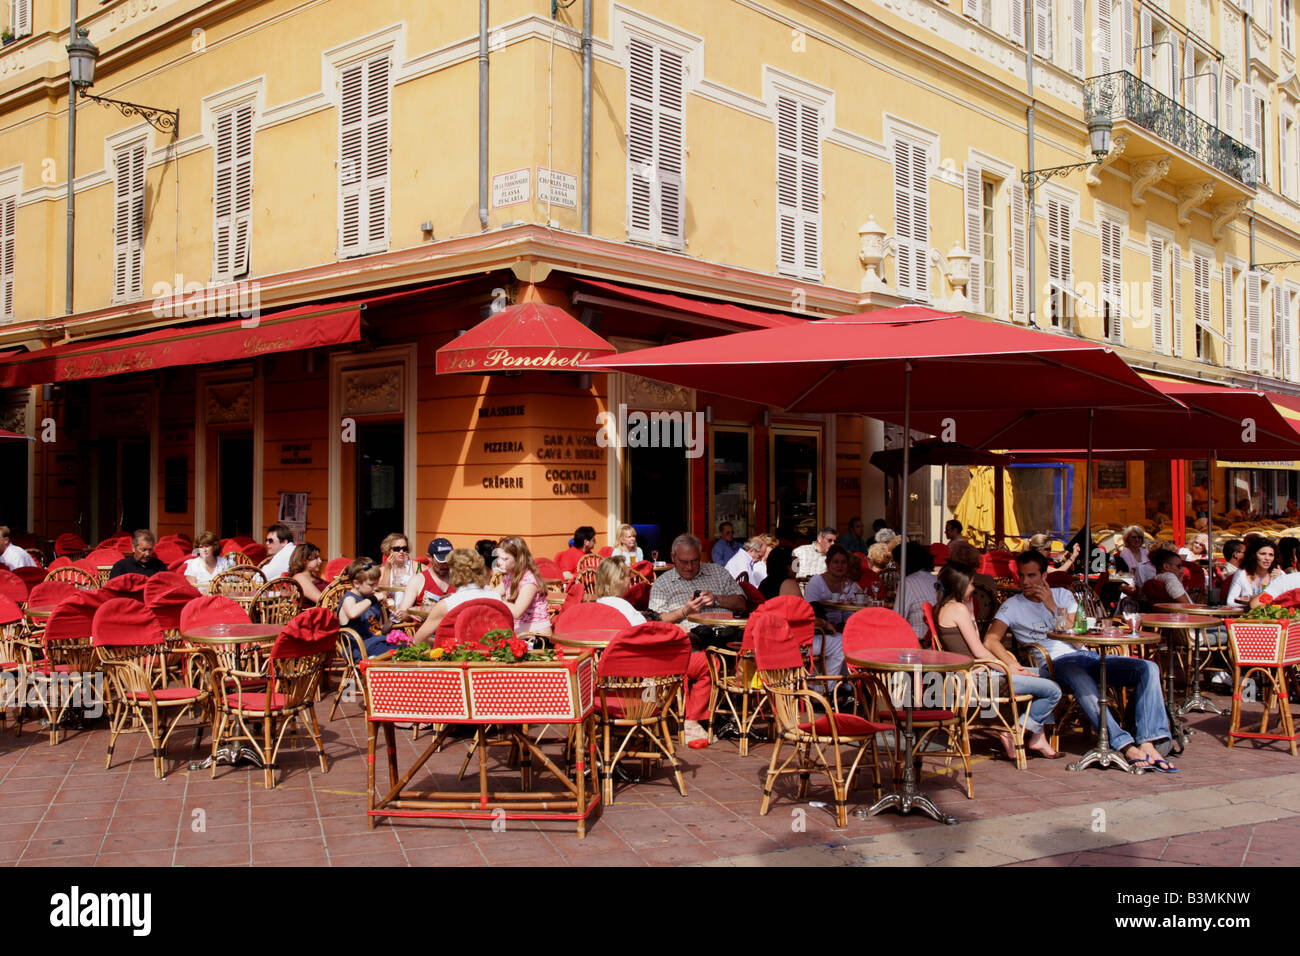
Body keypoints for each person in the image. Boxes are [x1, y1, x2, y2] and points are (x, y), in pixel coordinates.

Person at [985, 551, 1177, 771]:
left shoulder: (1063, 596)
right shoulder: (1012, 605)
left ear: (1044, 576)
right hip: (1056, 664)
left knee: (1148, 668)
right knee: (1080, 677)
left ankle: (1148, 741)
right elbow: (991, 640)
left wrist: (1050, 605)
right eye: (1022, 576)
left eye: (1031, 576)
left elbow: (1077, 639)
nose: (1025, 582)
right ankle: (1124, 744)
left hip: (1087, 655)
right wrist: (1009, 663)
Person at [932, 562, 1063, 759]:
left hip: (974, 673)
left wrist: (1013, 668)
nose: (974, 588)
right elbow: (980, 652)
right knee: (1053, 690)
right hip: (977, 677)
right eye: (971, 584)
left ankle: (1037, 736)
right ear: (960, 585)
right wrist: (1010, 669)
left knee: (1044, 675)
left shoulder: (946, 607)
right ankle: (1016, 732)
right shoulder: (957, 609)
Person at [648, 533, 745, 749]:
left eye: (694, 561)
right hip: (692, 640)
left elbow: (741, 602)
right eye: (684, 562)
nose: (690, 567)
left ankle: (736, 712)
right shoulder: (663, 584)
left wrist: (718, 599)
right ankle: (705, 717)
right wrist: (684, 611)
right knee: (709, 661)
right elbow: (656, 620)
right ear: (673, 558)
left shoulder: (717, 573)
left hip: (727, 634)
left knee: (749, 650)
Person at [413, 548, 510, 642]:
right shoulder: (496, 598)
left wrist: (441, 642)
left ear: (453, 572)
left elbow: (417, 640)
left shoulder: (446, 604)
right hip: (490, 655)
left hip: (456, 655)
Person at [801, 544, 859, 676]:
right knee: (843, 641)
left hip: (841, 628)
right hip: (820, 630)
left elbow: (850, 612)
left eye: (843, 562)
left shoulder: (849, 584)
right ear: (827, 563)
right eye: (836, 562)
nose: (840, 566)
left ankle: (849, 682)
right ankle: (831, 684)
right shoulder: (817, 582)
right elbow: (810, 610)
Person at [492, 535, 551, 637]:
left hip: (536, 637)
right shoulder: (510, 577)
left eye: (504, 559)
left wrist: (498, 599)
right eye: (498, 558)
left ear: (518, 559)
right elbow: (493, 593)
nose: (499, 562)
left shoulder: (529, 581)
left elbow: (517, 611)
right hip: (519, 632)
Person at [337, 558, 390, 661]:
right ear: (356, 583)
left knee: (405, 648)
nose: (375, 588)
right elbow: (352, 613)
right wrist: (373, 599)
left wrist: (392, 620)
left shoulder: (369, 598)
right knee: (395, 653)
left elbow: (378, 629)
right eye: (371, 585)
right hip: (358, 647)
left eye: (377, 584)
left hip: (375, 642)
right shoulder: (350, 598)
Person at [393, 537, 455, 623]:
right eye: (440, 561)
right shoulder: (418, 580)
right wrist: (409, 613)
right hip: (428, 632)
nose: (444, 565)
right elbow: (401, 613)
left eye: (448, 560)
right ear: (429, 557)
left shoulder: (458, 578)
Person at [892, 540, 938, 640]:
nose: (896, 568)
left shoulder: (908, 583)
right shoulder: (934, 579)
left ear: (903, 563)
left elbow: (897, 618)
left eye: (896, 563)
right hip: (936, 640)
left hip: (917, 641)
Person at [590, 558, 646, 625]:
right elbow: (642, 627)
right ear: (618, 580)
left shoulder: (598, 603)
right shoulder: (623, 606)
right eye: (628, 575)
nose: (631, 577)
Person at [1227, 537, 1281, 606]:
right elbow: (1230, 602)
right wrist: (1252, 604)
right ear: (1254, 555)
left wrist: (1280, 580)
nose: (1267, 558)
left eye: (1271, 555)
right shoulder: (1241, 574)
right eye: (1263, 554)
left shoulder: (1279, 575)